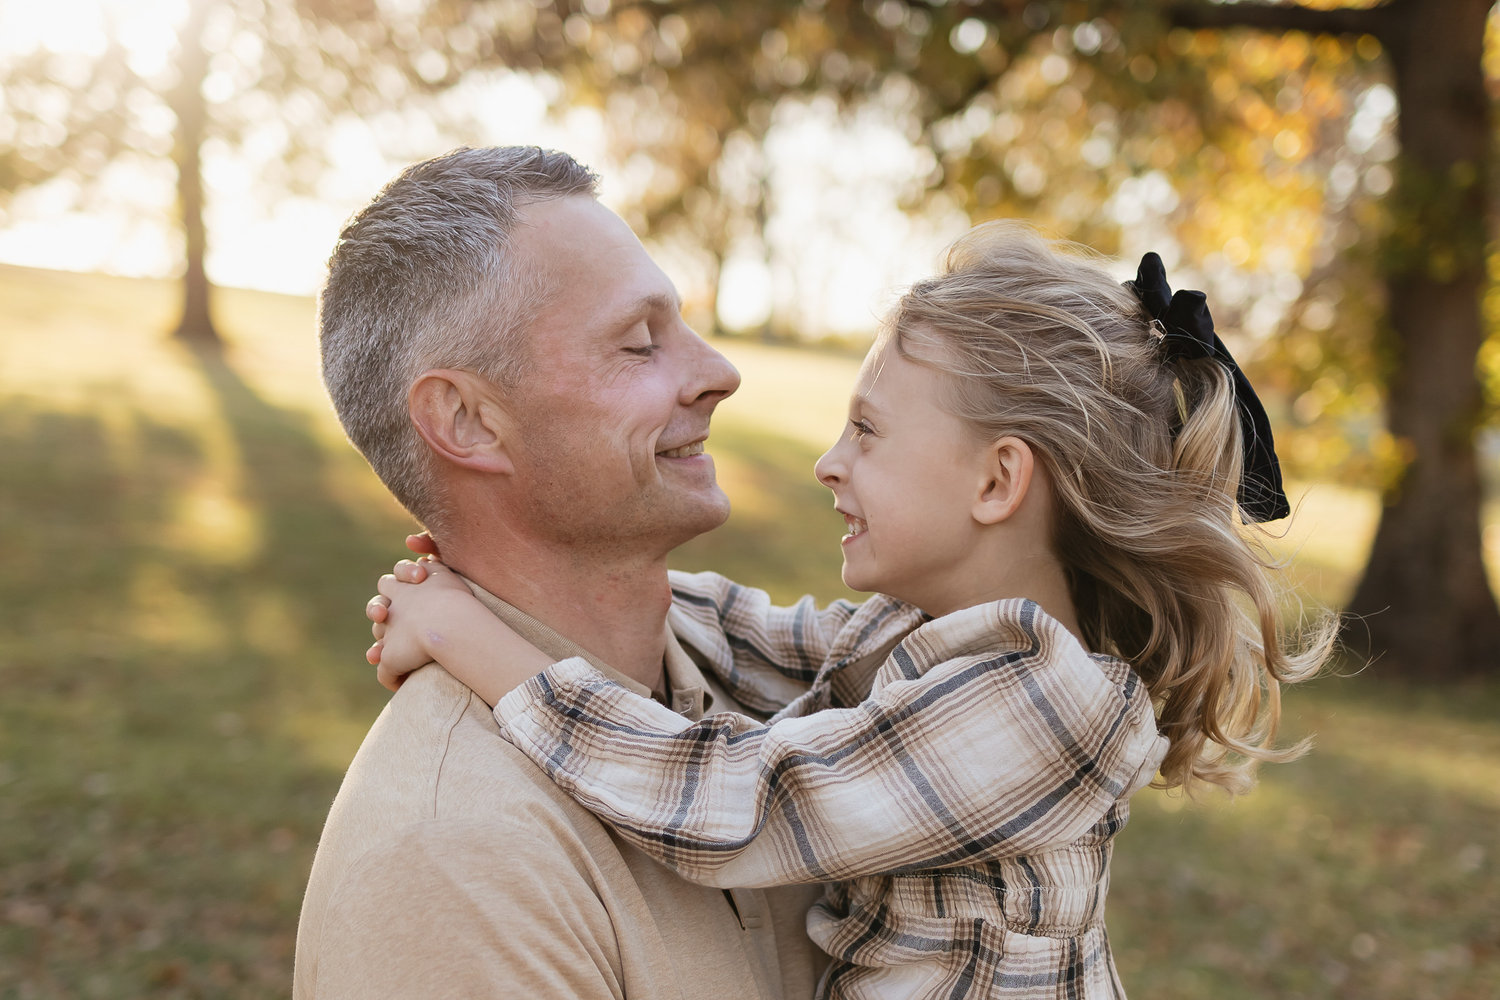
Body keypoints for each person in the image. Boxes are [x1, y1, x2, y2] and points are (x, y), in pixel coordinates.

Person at [366, 222, 1337, 998]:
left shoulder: (1047, 708)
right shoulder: (926, 635)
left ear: (998, 480)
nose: (830, 461)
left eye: (868, 430)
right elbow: (752, 635)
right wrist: (516, 579)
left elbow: (731, 806)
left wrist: (468, 634)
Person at [294, 145, 830, 999]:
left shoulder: (777, 689)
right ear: (468, 421)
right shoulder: (457, 860)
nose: (719, 374)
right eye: (639, 343)